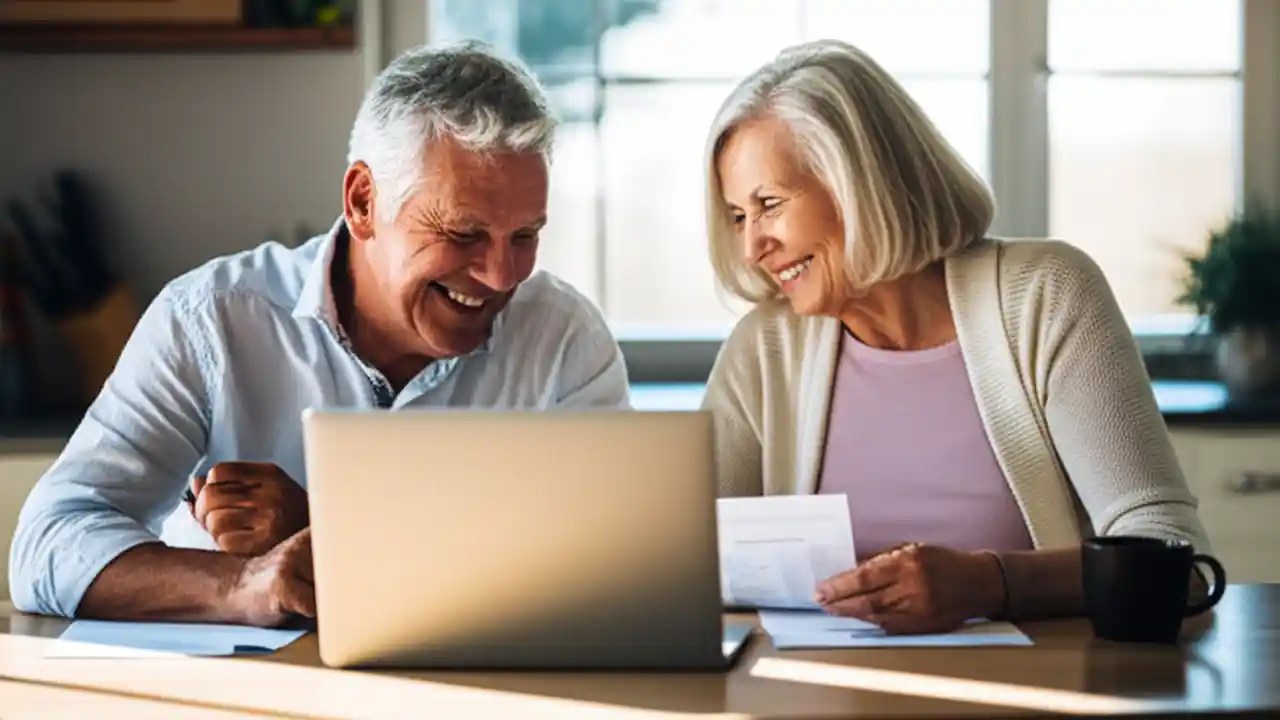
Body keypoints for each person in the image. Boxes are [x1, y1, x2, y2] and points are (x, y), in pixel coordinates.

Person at [10, 42, 629, 625]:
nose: (501, 275)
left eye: (525, 236)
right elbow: (46, 547)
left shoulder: (565, 340)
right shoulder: (212, 319)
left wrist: (336, 531)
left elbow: (616, 568)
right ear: (363, 203)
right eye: (463, 234)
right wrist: (244, 584)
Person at [701, 39, 1210, 634]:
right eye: (738, 215)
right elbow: (677, 559)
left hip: (1043, 691)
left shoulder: (1045, 296)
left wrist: (990, 583)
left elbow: (1177, 559)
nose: (752, 246)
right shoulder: (764, 349)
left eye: (769, 204)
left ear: (859, 183)